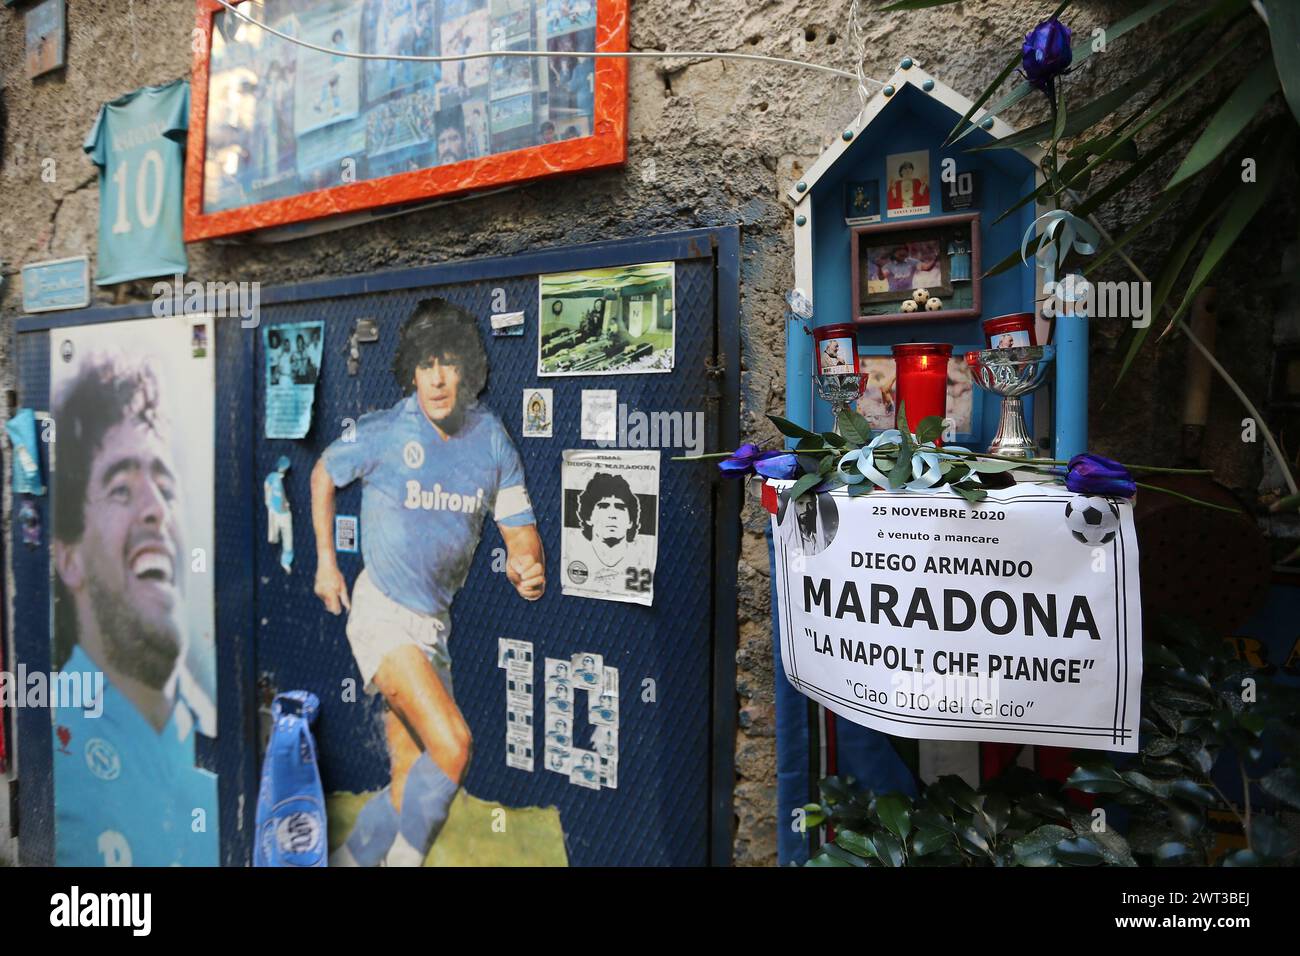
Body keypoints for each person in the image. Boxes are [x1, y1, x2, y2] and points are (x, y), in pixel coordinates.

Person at [314, 298, 544, 867]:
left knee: (405, 790)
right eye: (426, 364)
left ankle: (343, 861)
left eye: (449, 363)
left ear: (466, 369)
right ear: (411, 371)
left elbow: (521, 536)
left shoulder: (491, 440)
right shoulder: (387, 432)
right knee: (453, 744)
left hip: (431, 628)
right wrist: (325, 561)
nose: (438, 378)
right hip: (381, 614)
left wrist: (529, 569)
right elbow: (322, 473)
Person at [50, 354, 217, 866]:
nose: (157, 509)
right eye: (122, 488)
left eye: (166, 488)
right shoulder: (57, 743)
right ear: (69, 558)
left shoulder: (217, 736)